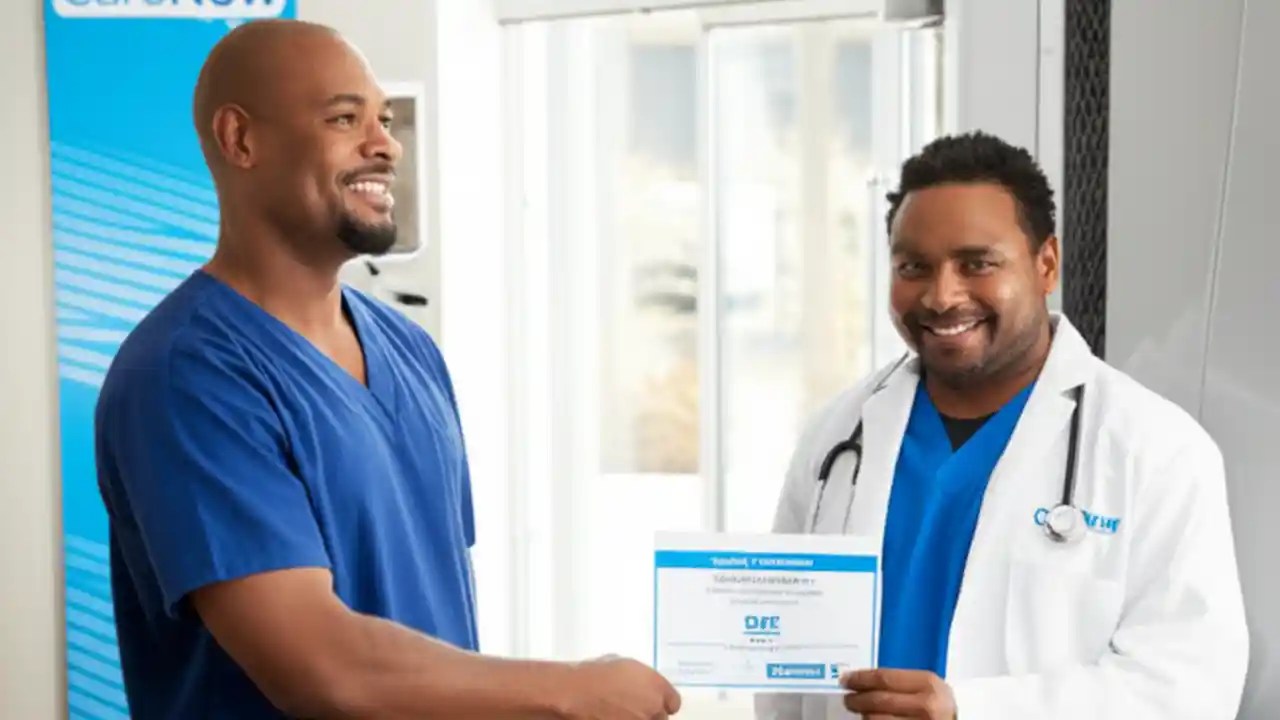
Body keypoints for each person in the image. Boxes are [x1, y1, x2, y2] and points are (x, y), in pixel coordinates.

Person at [95, 19, 680, 720]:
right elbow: (320, 668)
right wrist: (574, 690)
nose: (386, 145)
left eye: (385, 120)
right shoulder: (187, 375)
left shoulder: (410, 350)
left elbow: (428, 624)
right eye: (345, 119)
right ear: (240, 139)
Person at [754, 132, 1249, 719]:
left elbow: (1188, 687)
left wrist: (970, 709)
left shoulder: (1155, 449)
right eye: (914, 267)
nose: (942, 296)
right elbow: (784, 674)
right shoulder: (838, 436)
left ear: (1046, 264)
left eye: (977, 264)